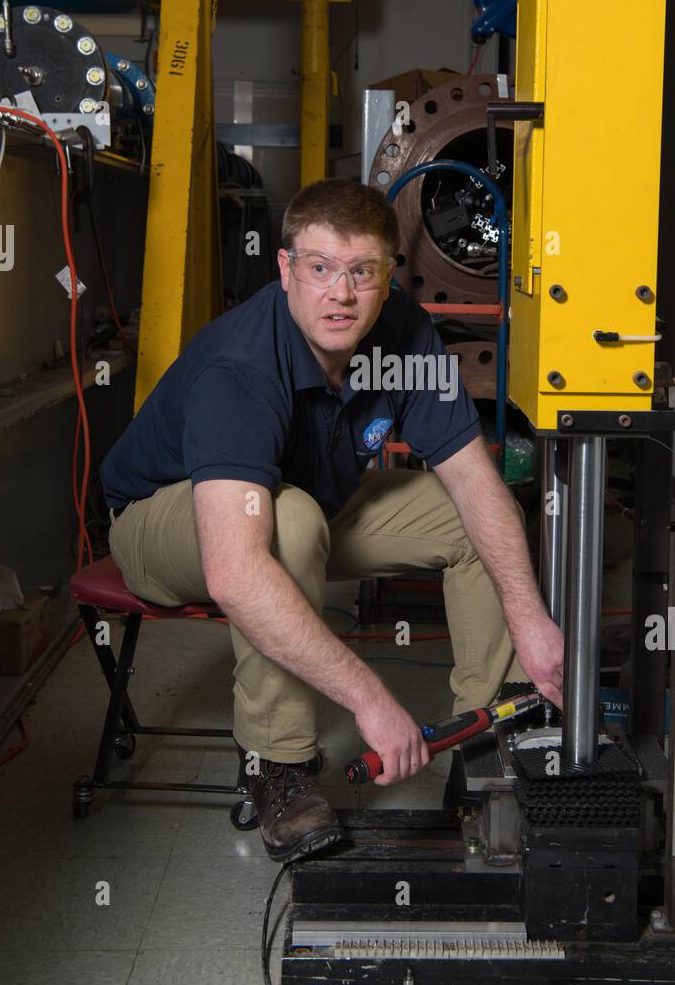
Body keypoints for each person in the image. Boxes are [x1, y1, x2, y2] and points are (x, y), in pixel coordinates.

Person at [100, 178, 564, 862]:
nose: (340, 294)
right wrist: (371, 701)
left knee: (466, 512)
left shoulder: (402, 329)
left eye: (361, 272)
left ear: (386, 276)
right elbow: (234, 570)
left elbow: (470, 475)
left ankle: (488, 732)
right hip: (162, 521)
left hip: (311, 505)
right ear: (285, 269)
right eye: (319, 268)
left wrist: (530, 619)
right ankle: (277, 766)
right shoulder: (243, 367)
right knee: (283, 526)